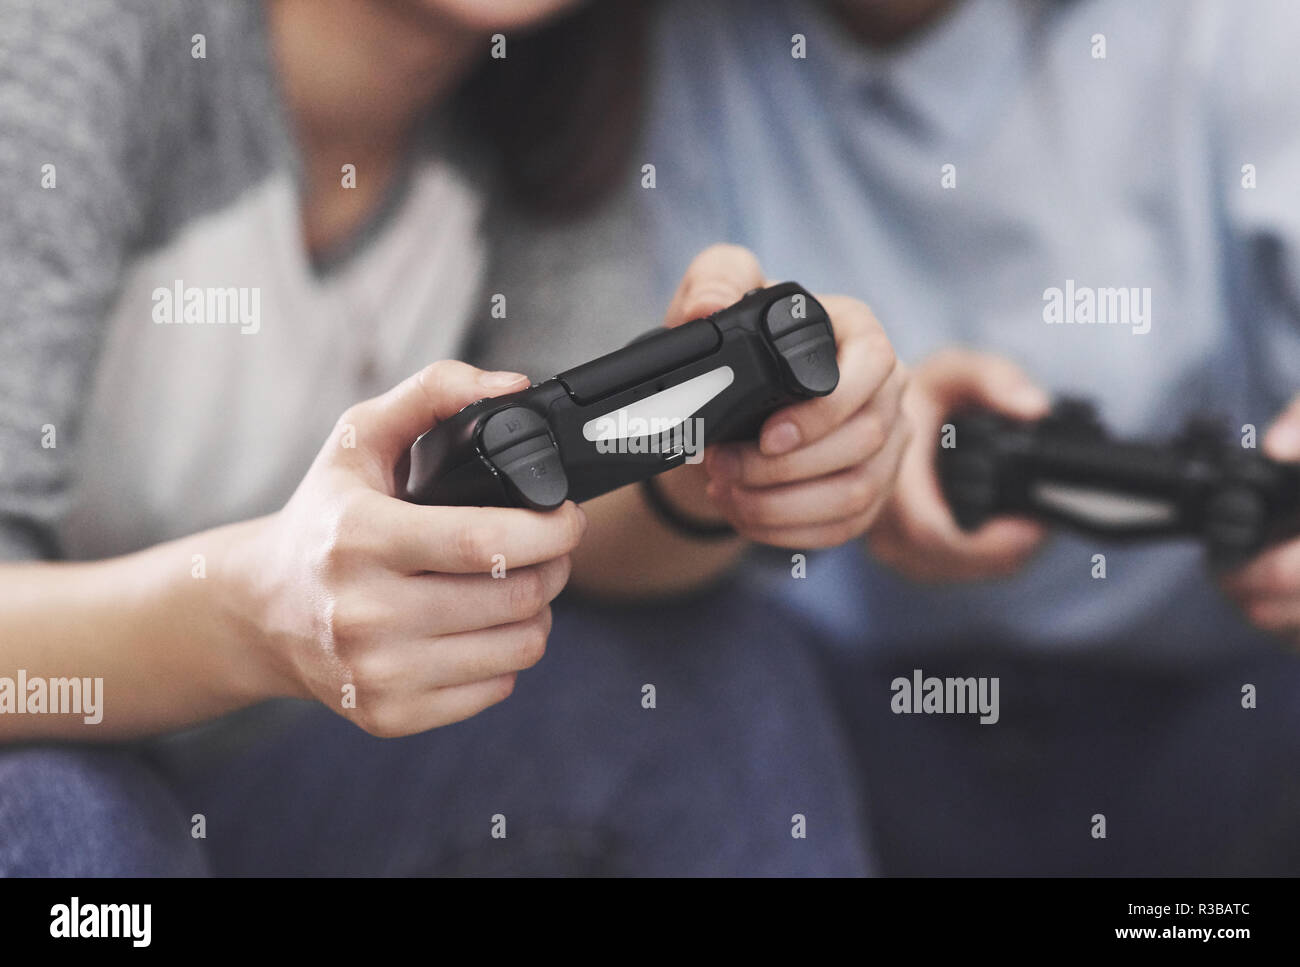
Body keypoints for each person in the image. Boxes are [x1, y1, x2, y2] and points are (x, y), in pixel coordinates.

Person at [0, 0, 908, 874]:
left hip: (277, 770)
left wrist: (712, 470)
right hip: (53, 756)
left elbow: (588, 526)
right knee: (69, 816)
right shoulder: (83, 39)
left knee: (724, 673)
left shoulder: (544, 103)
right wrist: (253, 613)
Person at [644, 0, 1300, 872]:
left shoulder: (1241, 35)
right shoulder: (653, 62)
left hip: (1225, 716)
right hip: (839, 721)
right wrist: (769, 469)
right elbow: (619, 507)